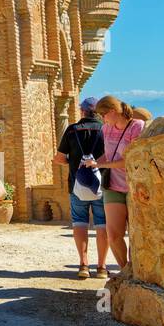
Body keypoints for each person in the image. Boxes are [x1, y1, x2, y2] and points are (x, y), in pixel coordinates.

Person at [81, 94, 145, 269]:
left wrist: (101, 163)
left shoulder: (137, 127)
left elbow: (131, 160)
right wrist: (92, 162)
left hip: (134, 187)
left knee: (136, 234)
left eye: (104, 115)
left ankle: (137, 269)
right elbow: (108, 156)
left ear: (112, 111)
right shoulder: (106, 129)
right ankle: (125, 270)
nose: (102, 119)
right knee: (114, 234)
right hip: (113, 186)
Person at [53, 97, 108, 279]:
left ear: (82, 111)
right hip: (102, 184)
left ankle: (83, 265)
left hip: (76, 184)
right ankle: (101, 267)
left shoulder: (71, 130)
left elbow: (59, 158)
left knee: (79, 223)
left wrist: (74, 162)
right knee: (102, 225)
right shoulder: (105, 129)